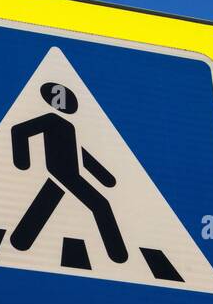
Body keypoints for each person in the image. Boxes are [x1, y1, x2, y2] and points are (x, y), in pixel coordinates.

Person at [8, 83, 128, 263]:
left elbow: (80, 154)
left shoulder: (67, 126)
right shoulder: (50, 119)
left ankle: (20, 240)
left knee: (45, 202)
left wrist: (105, 177)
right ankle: (118, 255)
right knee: (101, 205)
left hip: (67, 172)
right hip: (62, 172)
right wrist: (22, 162)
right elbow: (19, 131)